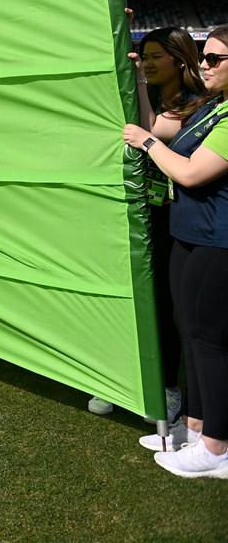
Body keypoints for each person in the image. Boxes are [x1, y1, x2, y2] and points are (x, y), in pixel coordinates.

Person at [124, 24, 228, 478]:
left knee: (210, 342)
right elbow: (160, 129)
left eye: (214, 59)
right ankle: (197, 428)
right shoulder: (214, 109)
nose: (203, 66)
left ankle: (217, 448)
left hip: (216, 240)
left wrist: (146, 143)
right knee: (192, 334)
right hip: (190, 235)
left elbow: (189, 173)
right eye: (203, 57)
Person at [92, 27, 205, 423]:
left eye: (158, 55)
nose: (150, 62)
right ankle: (119, 377)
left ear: (179, 58)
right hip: (130, 207)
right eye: (146, 54)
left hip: (167, 217)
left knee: (160, 302)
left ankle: (167, 390)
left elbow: (152, 129)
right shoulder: (145, 87)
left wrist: (139, 79)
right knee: (121, 292)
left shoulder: (196, 101)